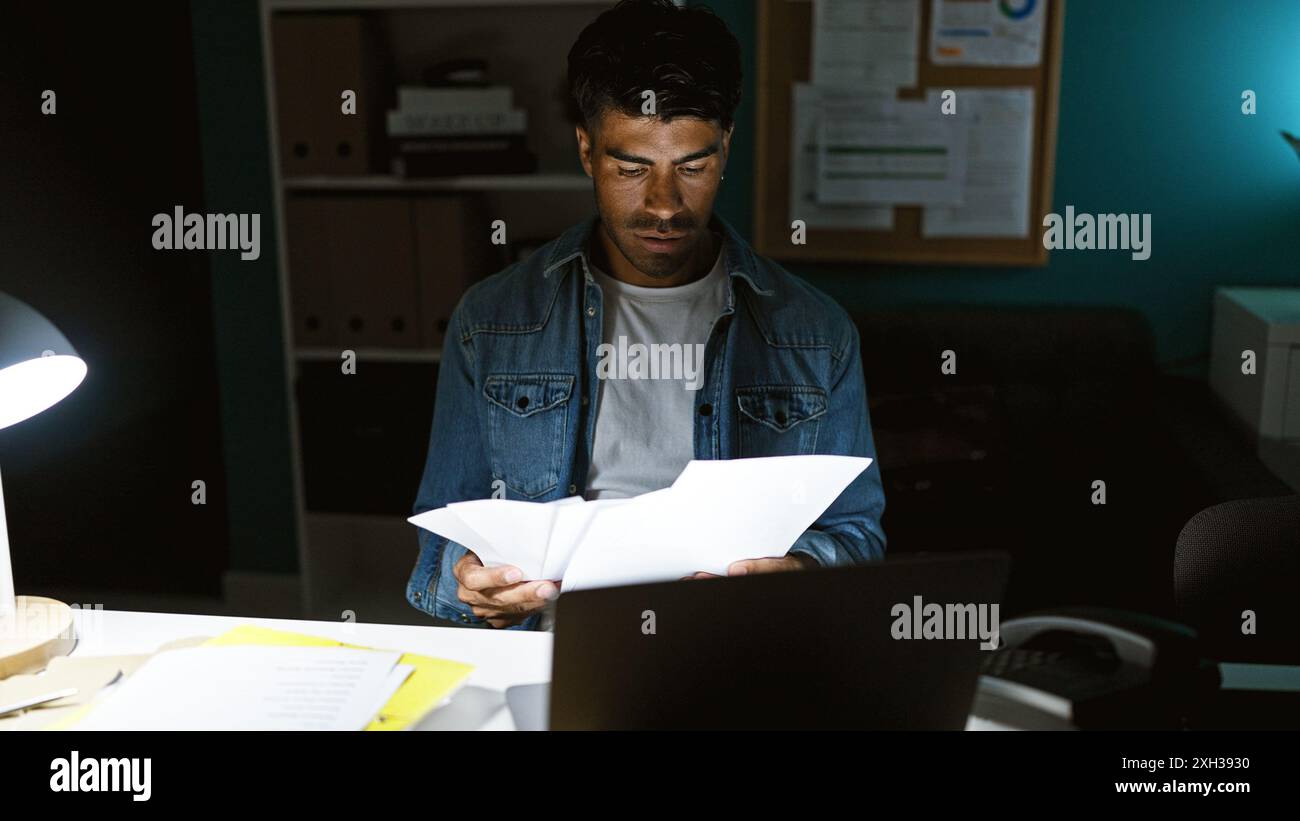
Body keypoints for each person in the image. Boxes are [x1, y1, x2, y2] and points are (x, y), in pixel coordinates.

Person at [407, 0, 885, 630]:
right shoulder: (491, 322)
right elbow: (442, 538)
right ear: (585, 149)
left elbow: (856, 535)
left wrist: (798, 575)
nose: (664, 204)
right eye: (631, 168)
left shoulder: (816, 332)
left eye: (693, 166)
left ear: (726, 147)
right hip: (561, 642)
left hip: (735, 640)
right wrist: (468, 581)